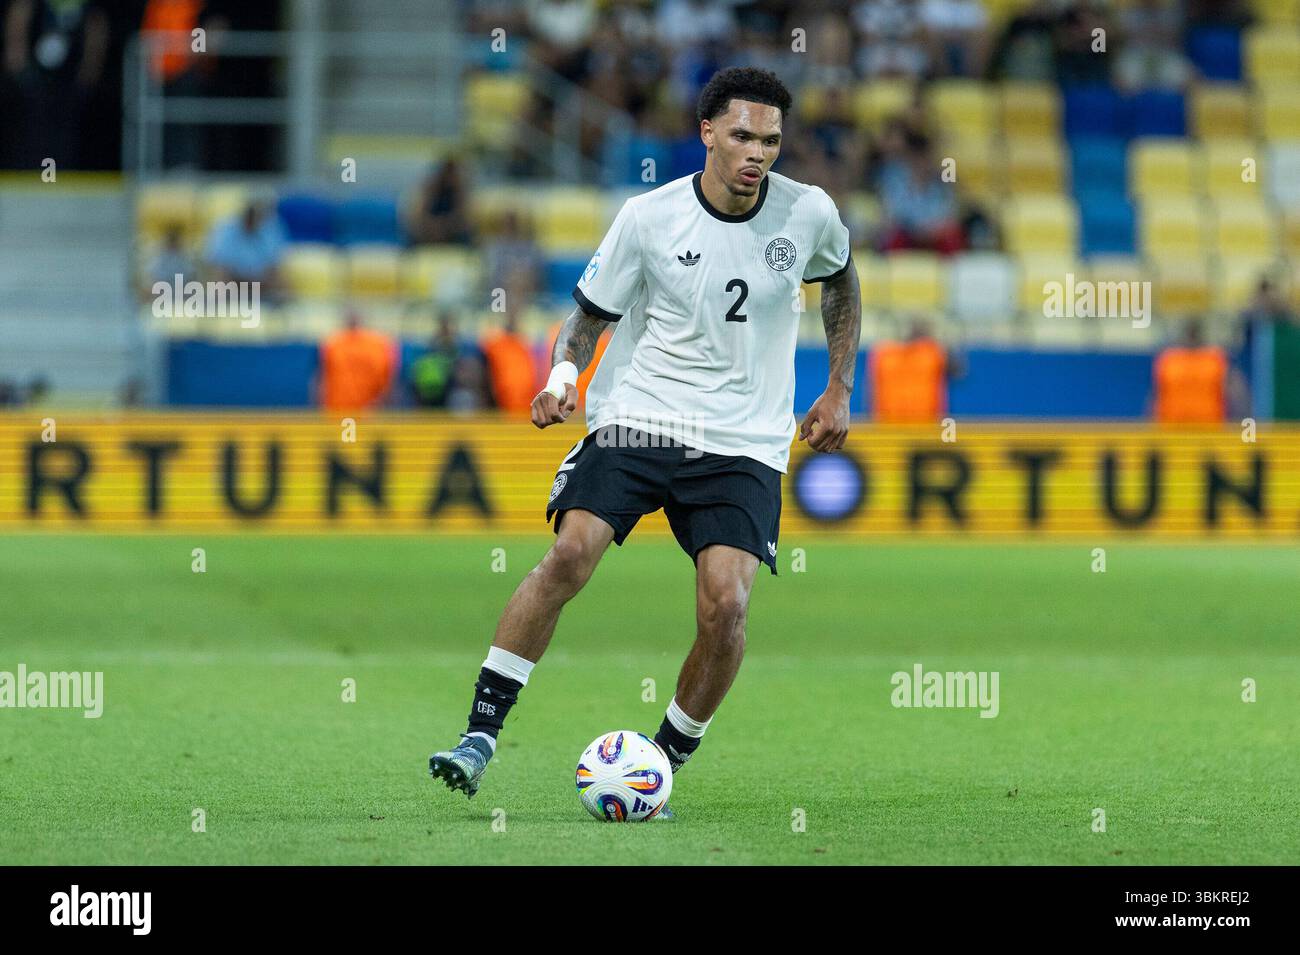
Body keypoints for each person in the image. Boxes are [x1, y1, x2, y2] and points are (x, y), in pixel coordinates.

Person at [428, 67, 861, 814]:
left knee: (726, 606)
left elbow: (842, 280)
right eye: (742, 137)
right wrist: (564, 373)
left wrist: (840, 384)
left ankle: (662, 760)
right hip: (640, 414)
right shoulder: (649, 217)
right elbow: (589, 315)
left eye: (770, 140)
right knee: (570, 552)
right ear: (707, 134)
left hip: (743, 439)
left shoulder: (808, 212)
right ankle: (479, 734)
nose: (758, 153)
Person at [1151, 318, 1245, 424]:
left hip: (1209, 426)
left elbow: (1235, 392)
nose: (1192, 337)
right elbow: (1157, 394)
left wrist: (1238, 420)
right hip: (1172, 426)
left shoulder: (1216, 358)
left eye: (1194, 333)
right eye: (1190, 333)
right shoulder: (1168, 359)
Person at [870, 317, 954, 422]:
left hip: (923, 422)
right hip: (893, 422)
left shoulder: (932, 353)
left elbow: (957, 370)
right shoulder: (884, 355)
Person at [315, 310, 397, 412]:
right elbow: (323, 376)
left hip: (363, 408)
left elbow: (387, 377)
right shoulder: (333, 344)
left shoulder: (379, 344)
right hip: (342, 407)